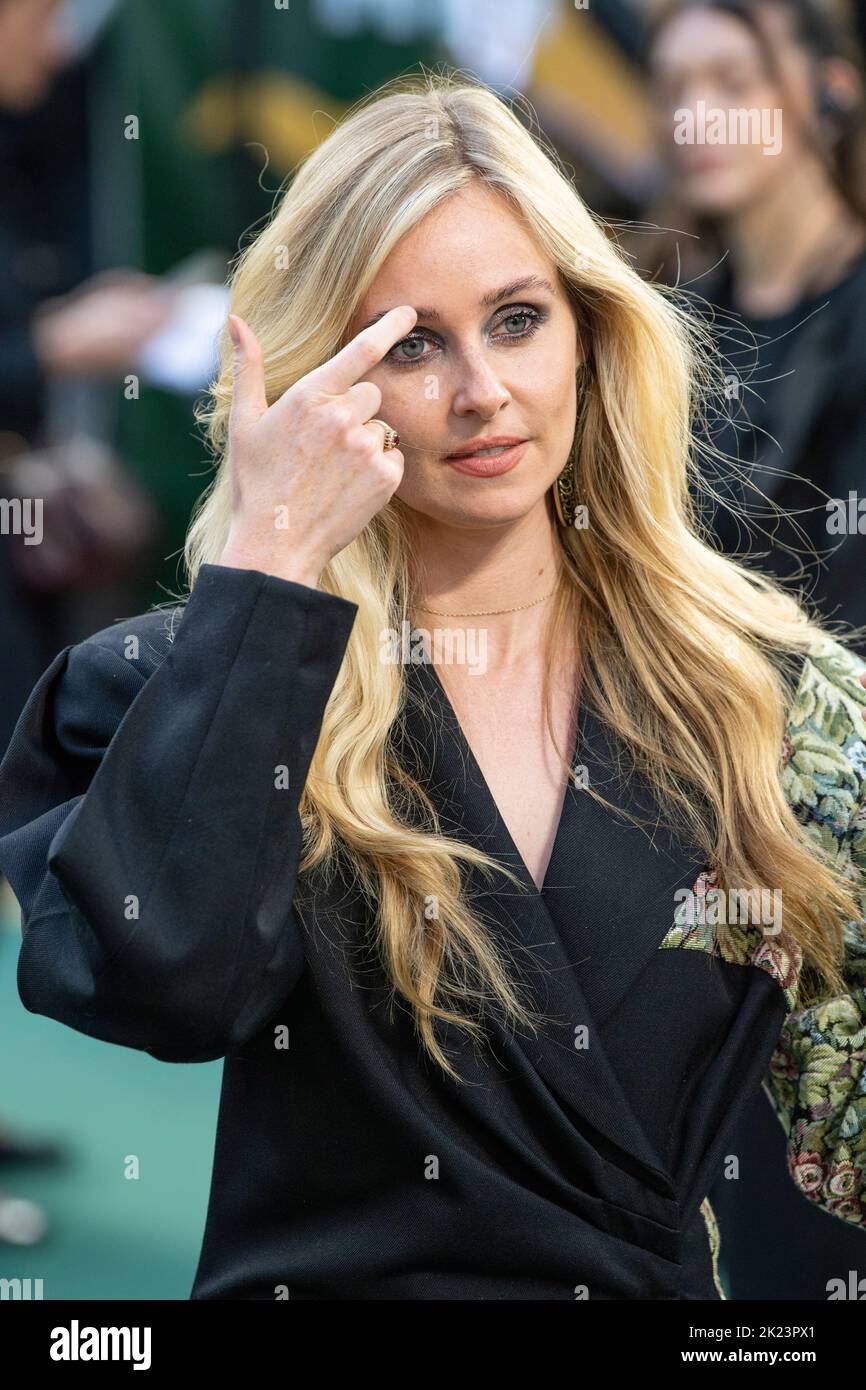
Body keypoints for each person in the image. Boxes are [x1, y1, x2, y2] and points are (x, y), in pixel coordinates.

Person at [0, 70, 866, 1301]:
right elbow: (167, 986)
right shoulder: (177, 683)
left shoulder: (764, 694)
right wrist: (271, 568)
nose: (479, 393)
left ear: (588, 328)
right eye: (411, 343)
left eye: (516, 319)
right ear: (322, 379)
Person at [644, 0, 866, 649]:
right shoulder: (671, 321)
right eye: (673, 88)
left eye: (734, 84)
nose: (694, 116)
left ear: (833, 94)